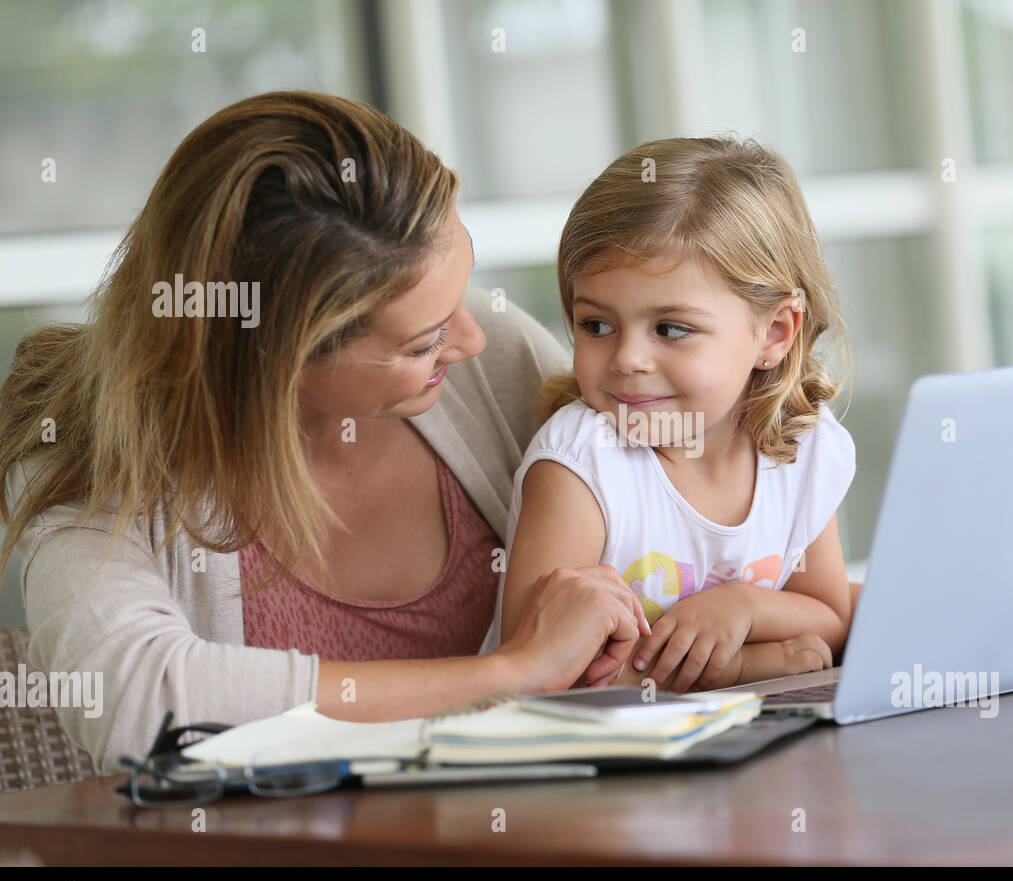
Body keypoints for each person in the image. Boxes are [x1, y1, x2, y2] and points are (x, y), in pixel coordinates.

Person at [0, 90, 650, 775]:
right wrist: (511, 673)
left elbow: (690, 525)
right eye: (424, 342)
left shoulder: (496, 367)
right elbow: (137, 701)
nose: (473, 337)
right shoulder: (82, 443)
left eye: (463, 293)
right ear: (279, 360)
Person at [488, 136, 856, 694]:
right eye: (596, 325)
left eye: (670, 329)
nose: (628, 360)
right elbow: (544, 672)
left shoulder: (802, 444)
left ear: (774, 333)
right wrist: (744, 665)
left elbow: (828, 619)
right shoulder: (579, 467)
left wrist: (741, 609)